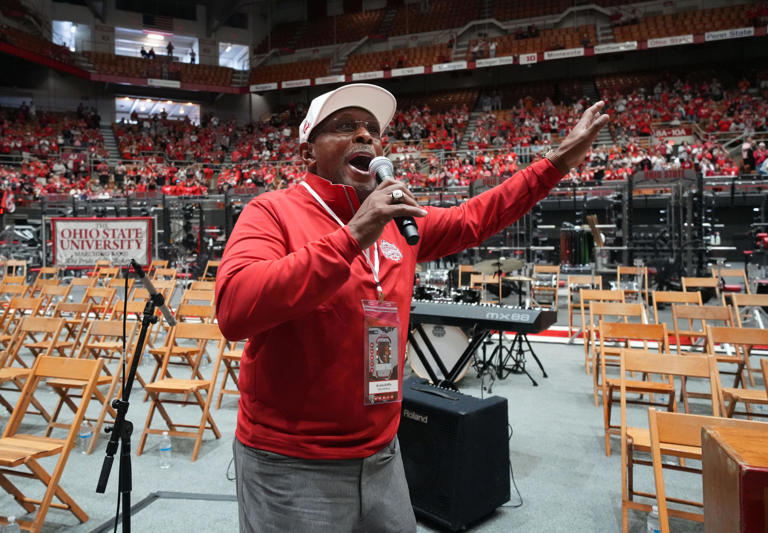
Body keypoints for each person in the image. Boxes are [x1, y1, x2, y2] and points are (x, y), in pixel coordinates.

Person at [216, 83, 608, 533]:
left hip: (382, 454)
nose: (365, 136)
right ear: (309, 151)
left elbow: (474, 218)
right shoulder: (272, 212)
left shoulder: (396, 221)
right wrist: (351, 237)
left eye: (372, 130)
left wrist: (555, 163)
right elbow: (234, 308)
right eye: (345, 126)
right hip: (292, 465)